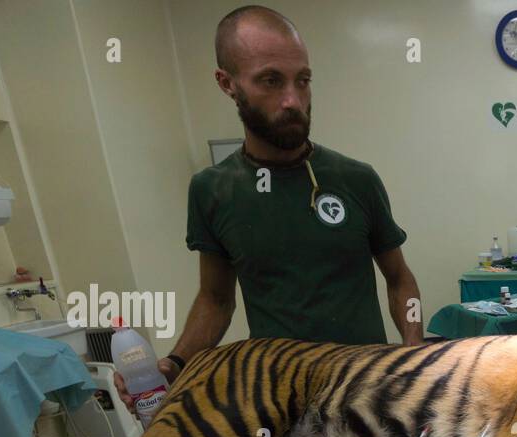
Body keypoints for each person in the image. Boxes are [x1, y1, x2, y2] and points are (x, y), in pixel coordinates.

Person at [116, 4, 422, 410]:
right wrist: (175, 363)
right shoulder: (213, 190)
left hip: (368, 392)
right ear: (227, 83)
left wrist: (415, 358)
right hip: (281, 402)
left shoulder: (356, 179)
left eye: (304, 80)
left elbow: (399, 278)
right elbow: (216, 299)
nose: (293, 100)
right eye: (271, 81)